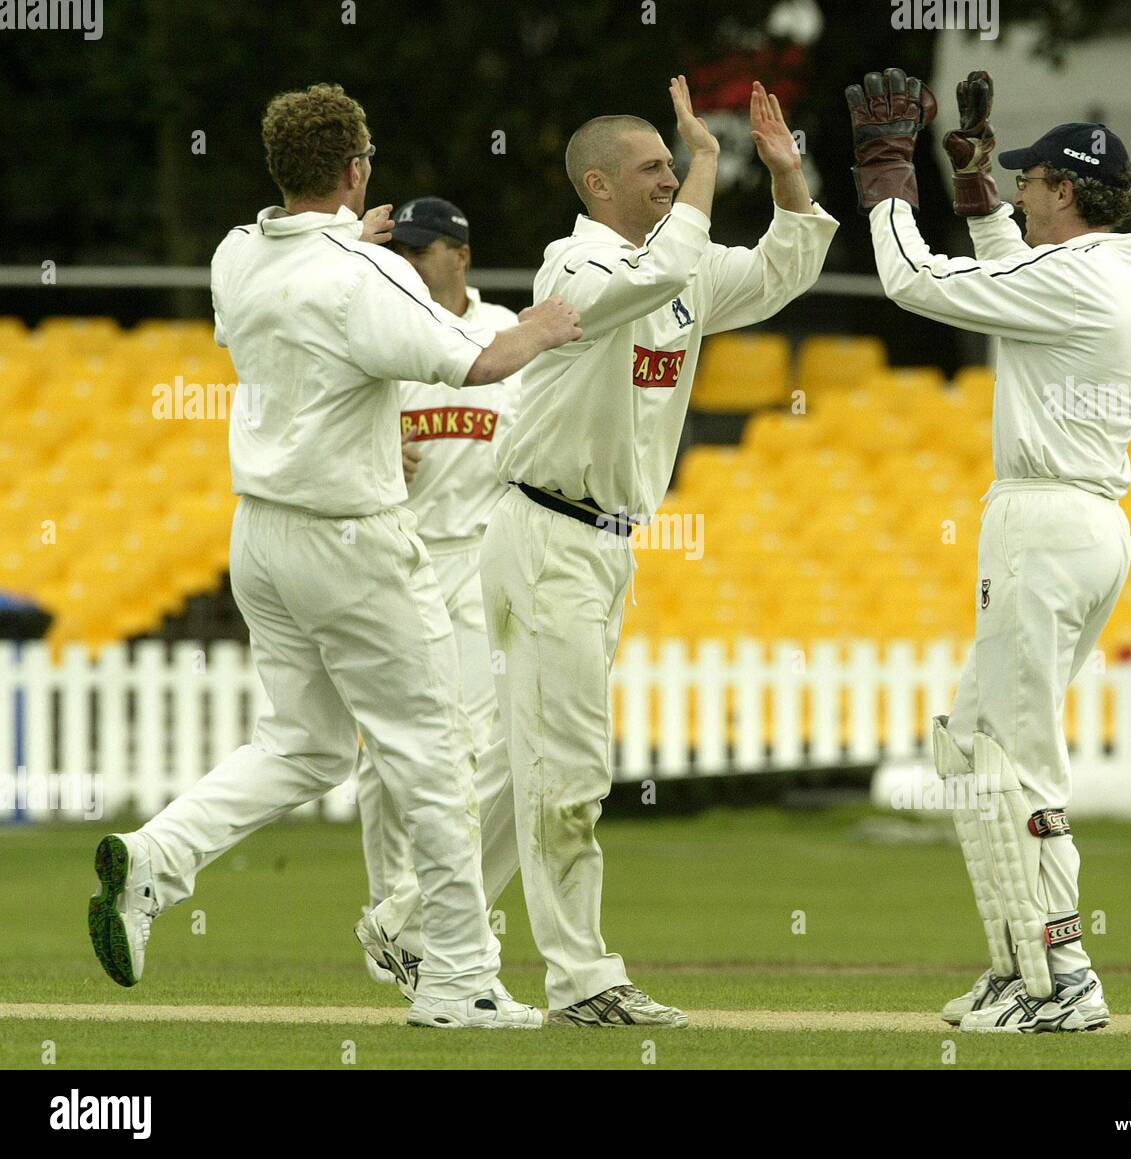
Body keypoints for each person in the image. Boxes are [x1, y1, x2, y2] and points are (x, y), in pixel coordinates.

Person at [87, 83, 580, 1030]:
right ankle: (459, 981)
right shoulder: (368, 276)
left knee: (302, 743)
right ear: (358, 171)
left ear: (282, 171)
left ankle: (155, 859)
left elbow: (299, 292)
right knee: (434, 752)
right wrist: (546, 327)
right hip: (348, 535)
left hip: (260, 535)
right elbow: (473, 361)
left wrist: (350, 239)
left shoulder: (239, 255)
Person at [474, 75, 836, 1027]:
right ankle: (582, 979)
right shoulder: (575, 269)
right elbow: (665, 271)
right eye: (652, 169)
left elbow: (779, 272)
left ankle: (416, 923)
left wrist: (787, 176)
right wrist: (715, 164)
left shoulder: (675, 276)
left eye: (674, 167)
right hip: (548, 529)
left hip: (601, 541)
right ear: (595, 186)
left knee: (525, 770)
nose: (670, 180)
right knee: (570, 774)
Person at [845, 68, 1131, 1031]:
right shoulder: (1109, 272)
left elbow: (911, 283)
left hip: (1046, 522)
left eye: (1028, 180)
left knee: (1016, 757)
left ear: (1066, 192)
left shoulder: (1077, 277)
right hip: (1077, 520)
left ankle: (1067, 978)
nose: (1018, 190)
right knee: (975, 752)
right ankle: (1020, 964)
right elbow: (1015, 283)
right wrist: (979, 193)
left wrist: (888, 168)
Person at [352, 198, 524, 988]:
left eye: (426, 248)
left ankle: (421, 925)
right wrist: (374, 448)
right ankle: (395, 912)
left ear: (461, 252)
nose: (414, 261)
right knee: (391, 757)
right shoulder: (383, 331)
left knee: (480, 752)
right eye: (405, 249)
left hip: (487, 561)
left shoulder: (507, 332)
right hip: (401, 556)